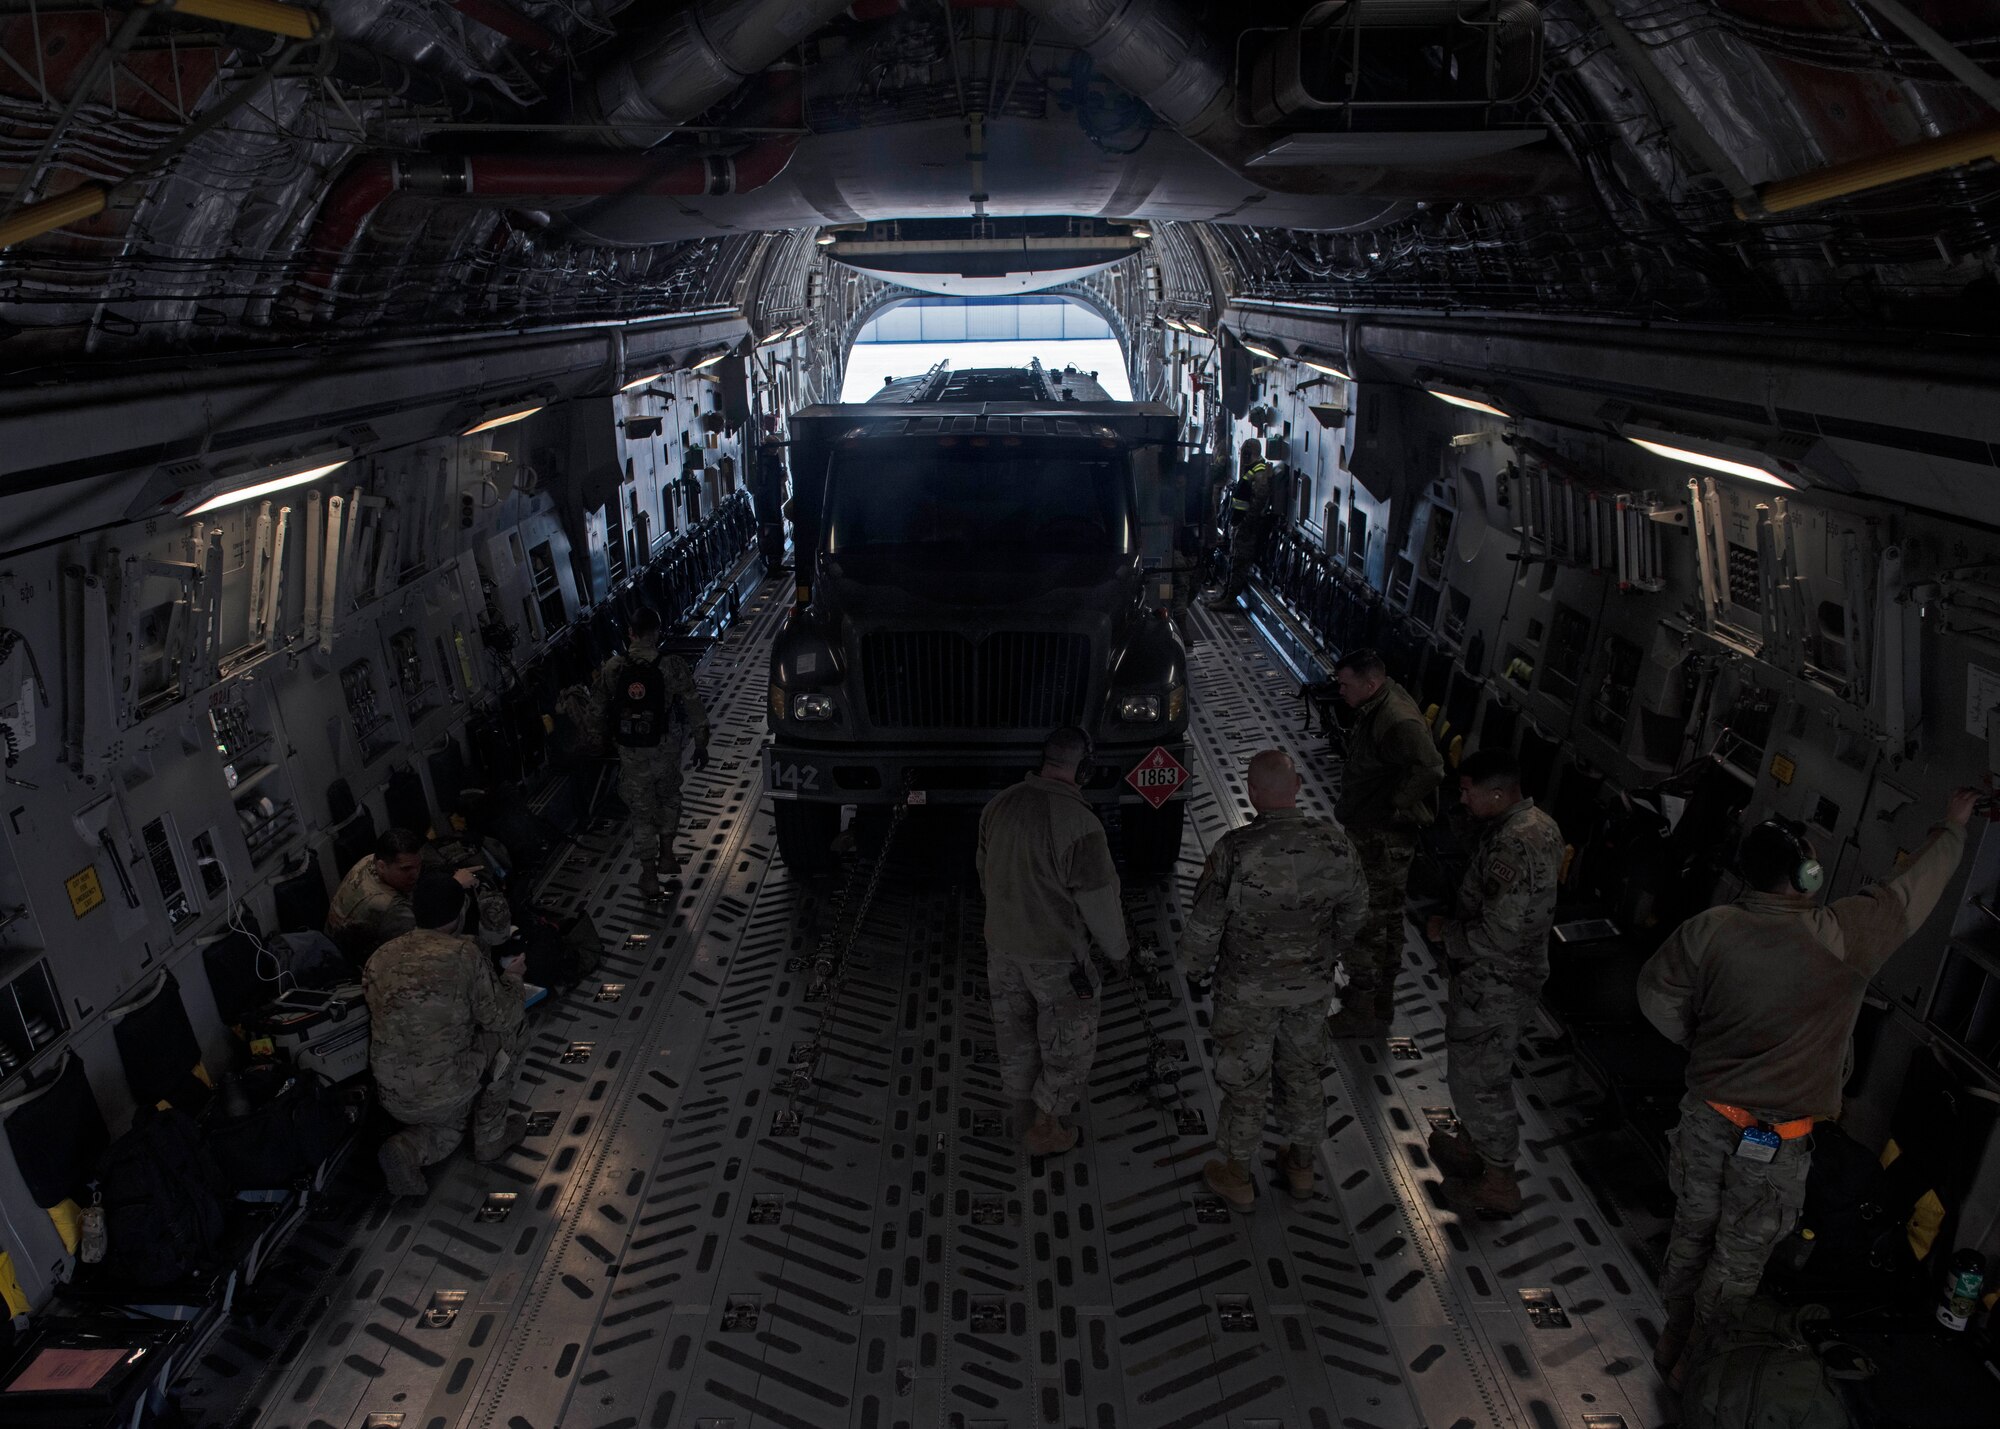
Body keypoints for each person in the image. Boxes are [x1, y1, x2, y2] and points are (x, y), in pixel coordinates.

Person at [1637, 789, 1977, 1385]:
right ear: (1806, 874)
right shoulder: (1841, 936)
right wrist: (1951, 828)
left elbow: (1656, 995)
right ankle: (1702, 1367)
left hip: (1704, 1118)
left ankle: (1672, 1337)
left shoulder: (1710, 928)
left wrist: (1703, 1045)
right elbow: (1911, 891)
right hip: (1774, 1139)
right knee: (1739, 1259)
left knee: (1692, 1230)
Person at [1181, 749, 1369, 1210]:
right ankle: (1301, 1166)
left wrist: (1191, 970)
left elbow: (1206, 925)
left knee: (1246, 1081)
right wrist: (1324, 954)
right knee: (1303, 1070)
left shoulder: (1234, 849)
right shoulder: (1336, 844)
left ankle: (1238, 1174)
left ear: (1253, 793)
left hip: (1247, 990)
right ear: (1298, 788)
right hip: (1310, 987)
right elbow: (1357, 911)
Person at [1423, 749, 1564, 1218]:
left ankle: (1499, 1180)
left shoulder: (1512, 844)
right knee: (1480, 1070)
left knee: (1479, 1080)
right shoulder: (1537, 823)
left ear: (1499, 793)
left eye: (1468, 791)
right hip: (1508, 977)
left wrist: (1447, 934)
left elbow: (1497, 932)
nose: (1462, 798)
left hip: (1496, 981)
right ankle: (1474, 1147)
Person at [976, 726, 1130, 1156]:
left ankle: (1021, 1109)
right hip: (1056, 957)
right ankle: (1047, 1126)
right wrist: (1120, 953)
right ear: (1084, 768)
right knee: (1068, 1041)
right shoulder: (1080, 824)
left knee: (1016, 1033)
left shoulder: (999, 805)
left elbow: (985, 872)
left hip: (1002, 947)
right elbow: (1099, 901)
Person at [365, 872, 530, 1198]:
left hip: (393, 1095)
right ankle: (491, 1136)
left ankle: (406, 1148)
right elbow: (501, 1016)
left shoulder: (379, 957)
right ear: (461, 913)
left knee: (448, 1129)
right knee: (514, 1031)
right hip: (447, 1084)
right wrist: (513, 980)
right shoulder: (464, 955)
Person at [1328, 647, 1445, 1037]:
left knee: (1368, 920)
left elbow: (1430, 768)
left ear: (1371, 683)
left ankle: (1362, 1008)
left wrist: (1395, 806)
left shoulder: (1396, 719)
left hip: (1381, 836)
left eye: (1346, 684)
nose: (1340, 690)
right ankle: (1379, 1001)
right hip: (1376, 830)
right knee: (1389, 920)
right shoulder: (1380, 705)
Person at [590, 606, 709, 899]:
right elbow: (694, 704)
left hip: (632, 752)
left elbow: (597, 710)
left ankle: (649, 876)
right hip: (665, 747)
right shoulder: (672, 666)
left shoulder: (613, 668)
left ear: (630, 633)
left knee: (641, 813)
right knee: (669, 798)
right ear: (656, 633)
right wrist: (701, 742)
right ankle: (668, 855)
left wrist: (597, 741)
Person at [328, 827, 510, 967]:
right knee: (474, 946)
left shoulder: (370, 861)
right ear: (382, 866)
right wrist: (455, 888)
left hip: (349, 939)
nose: (414, 874)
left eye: (418, 866)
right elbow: (430, 934)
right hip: (369, 961)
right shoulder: (389, 906)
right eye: (406, 869)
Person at [1206, 438, 1273, 604]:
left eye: (1244, 453)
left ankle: (1229, 599)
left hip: (1246, 527)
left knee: (1239, 563)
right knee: (1234, 559)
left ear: (1250, 453)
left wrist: (1245, 522)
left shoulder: (1259, 472)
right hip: (1238, 523)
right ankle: (1226, 594)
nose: (1241, 457)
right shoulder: (1251, 471)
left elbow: (1258, 501)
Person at [752, 414, 790, 571]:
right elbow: (765, 485)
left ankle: (774, 561)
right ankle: (774, 562)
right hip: (769, 507)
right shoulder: (767, 463)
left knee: (772, 532)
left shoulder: (767, 461)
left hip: (771, 505)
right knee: (772, 533)